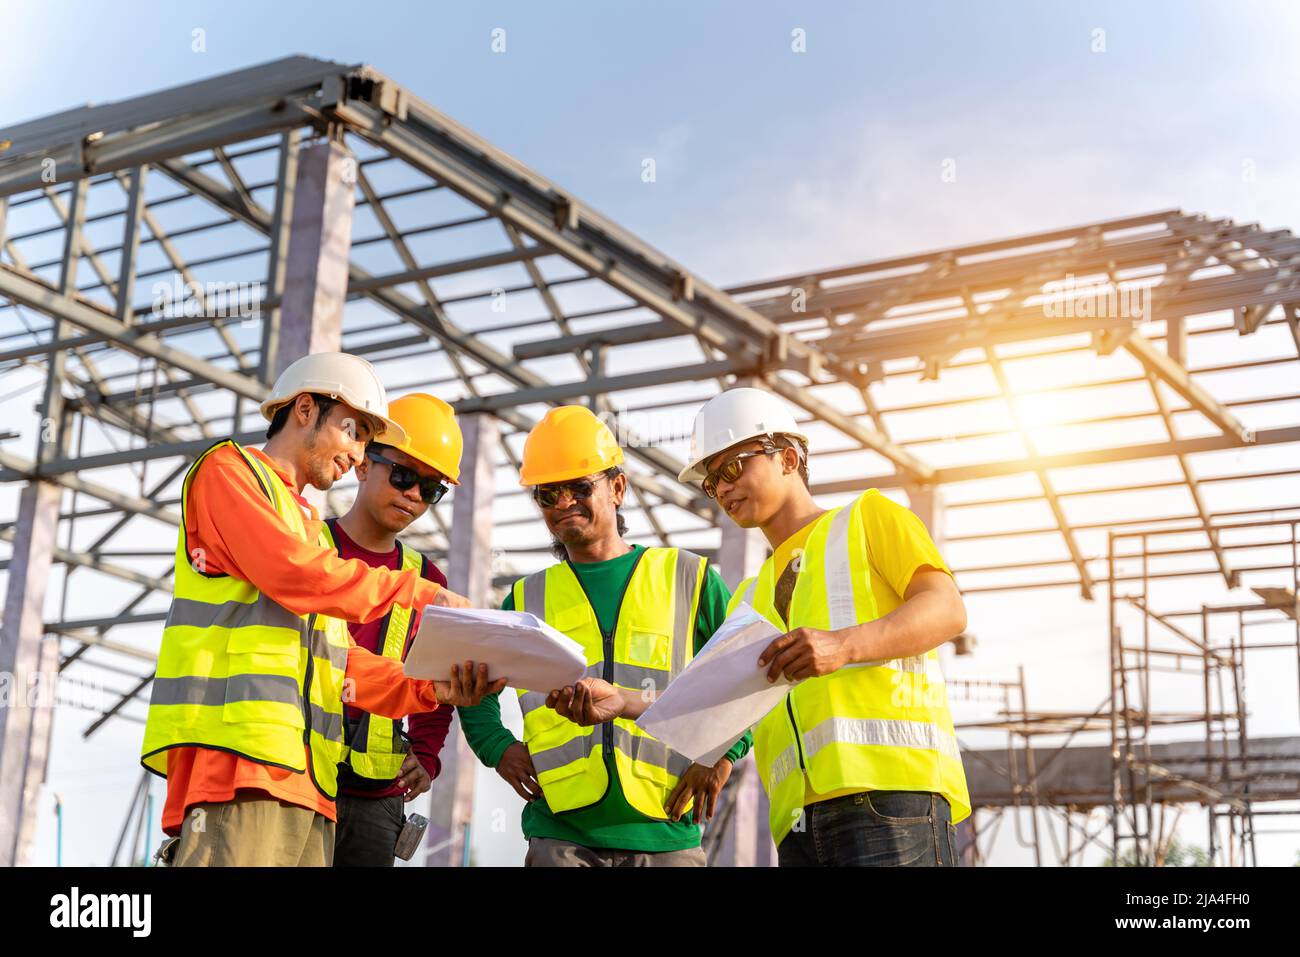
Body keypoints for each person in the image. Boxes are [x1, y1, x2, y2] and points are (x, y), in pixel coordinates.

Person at [140, 352, 503, 867]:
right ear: (305, 409)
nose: (358, 456)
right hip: (239, 772)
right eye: (355, 433)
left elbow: (340, 666)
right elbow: (294, 573)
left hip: (309, 785)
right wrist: (420, 592)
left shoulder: (308, 527)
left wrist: (430, 691)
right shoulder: (229, 473)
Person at [678, 386, 971, 867]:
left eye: (732, 467)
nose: (723, 489)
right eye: (713, 482)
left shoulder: (869, 519)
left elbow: (946, 609)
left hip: (892, 801)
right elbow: (741, 699)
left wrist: (844, 646)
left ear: (788, 458)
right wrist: (719, 754)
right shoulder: (748, 597)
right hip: (798, 823)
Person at [457, 406, 749, 867]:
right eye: (548, 494)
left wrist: (724, 752)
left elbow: (748, 671)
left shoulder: (688, 578)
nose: (564, 503)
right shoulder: (526, 597)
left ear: (617, 487)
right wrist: (498, 748)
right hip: (561, 832)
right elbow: (472, 682)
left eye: (579, 487)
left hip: (666, 830)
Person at [323, 393, 462, 867]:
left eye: (432, 489)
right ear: (362, 464)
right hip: (295, 777)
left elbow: (439, 681)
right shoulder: (310, 549)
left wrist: (426, 754)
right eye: (403, 476)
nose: (414, 496)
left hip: (376, 794)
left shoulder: (432, 582)